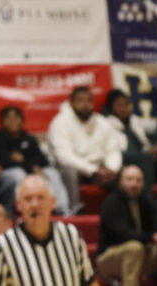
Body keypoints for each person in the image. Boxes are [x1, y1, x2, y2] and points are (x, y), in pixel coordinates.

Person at [0, 174, 94, 286]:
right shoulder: (4, 245)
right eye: (28, 199)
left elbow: (89, 282)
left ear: (52, 202)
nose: (35, 205)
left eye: (40, 197)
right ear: (18, 205)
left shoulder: (71, 235)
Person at [48, 85, 123, 213]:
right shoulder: (60, 122)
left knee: (126, 173)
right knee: (69, 171)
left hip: (99, 169)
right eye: (80, 101)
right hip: (72, 168)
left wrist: (111, 169)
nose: (85, 105)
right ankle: (73, 210)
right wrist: (93, 170)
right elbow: (64, 156)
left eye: (89, 101)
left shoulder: (101, 121)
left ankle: (121, 213)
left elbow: (113, 149)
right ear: (71, 103)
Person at [0, 106, 69, 215]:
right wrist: (30, 165)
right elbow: (3, 161)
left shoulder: (28, 138)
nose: (12, 121)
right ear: (2, 122)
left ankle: (60, 209)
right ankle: (22, 209)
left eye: (16, 117)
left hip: (30, 171)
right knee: (18, 173)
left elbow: (43, 160)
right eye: (8, 118)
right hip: (7, 174)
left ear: (22, 121)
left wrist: (24, 161)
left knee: (52, 173)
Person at [96, 165, 157, 286]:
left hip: (139, 255)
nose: (134, 184)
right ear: (121, 182)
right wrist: (153, 237)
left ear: (143, 183)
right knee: (134, 247)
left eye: (138, 180)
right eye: (130, 179)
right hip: (108, 258)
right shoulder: (111, 202)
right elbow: (124, 235)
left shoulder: (144, 201)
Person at [102, 90, 156, 194]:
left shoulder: (134, 120)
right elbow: (113, 148)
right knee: (145, 159)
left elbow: (144, 143)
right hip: (119, 156)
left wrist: (154, 150)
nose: (123, 108)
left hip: (140, 154)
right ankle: (146, 199)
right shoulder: (106, 122)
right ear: (111, 106)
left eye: (126, 104)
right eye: (119, 105)